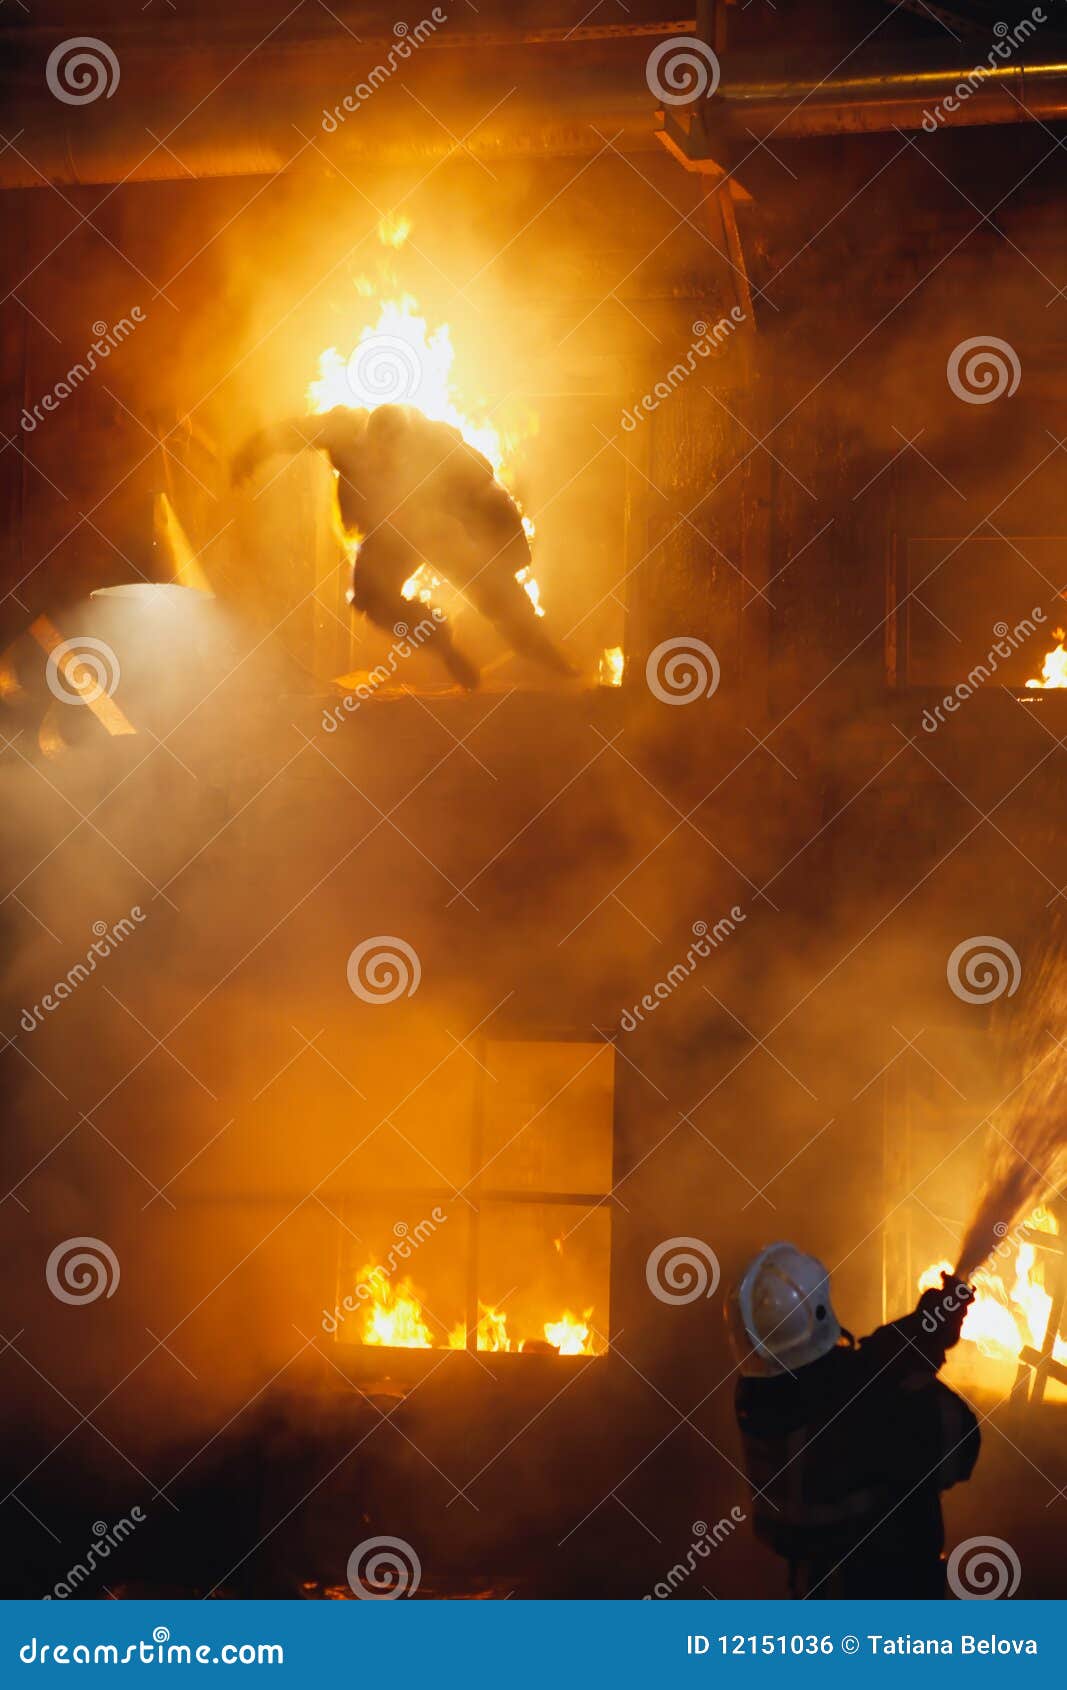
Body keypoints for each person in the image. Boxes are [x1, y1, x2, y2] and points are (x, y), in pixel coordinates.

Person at [232, 403, 575, 689]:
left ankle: (548, 658)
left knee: (494, 592)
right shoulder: (345, 433)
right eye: (378, 449)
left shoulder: (442, 449)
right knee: (370, 597)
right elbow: (293, 432)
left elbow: (485, 491)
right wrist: (251, 451)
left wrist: (510, 551)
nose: (384, 458)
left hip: (434, 525)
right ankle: (441, 643)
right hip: (390, 534)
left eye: (393, 453)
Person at [729, 1242, 980, 1598]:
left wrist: (924, 1324)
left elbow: (853, 1377)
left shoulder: (759, 1398)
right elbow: (962, 1443)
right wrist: (919, 1363)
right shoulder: (861, 1416)